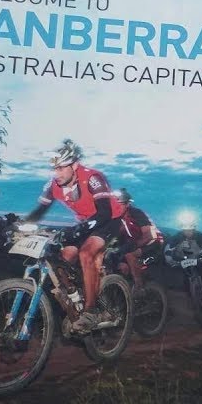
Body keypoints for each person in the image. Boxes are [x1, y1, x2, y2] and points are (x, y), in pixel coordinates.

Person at [21, 139, 136, 332]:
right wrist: (20, 224)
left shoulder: (93, 178)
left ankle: (91, 311)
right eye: (54, 169)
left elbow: (104, 212)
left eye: (61, 168)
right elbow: (41, 209)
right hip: (86, 222)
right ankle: (77, 296)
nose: (56, 174)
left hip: (109, 220)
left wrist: (79, 230)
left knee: (86, 253)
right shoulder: (53, 185)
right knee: (63, 257)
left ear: (74, 165)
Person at [115, 188, 163, 291]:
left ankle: (139, 287)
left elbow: (149, 235)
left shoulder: (137, 214)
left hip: (152, 242)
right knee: (118, 263)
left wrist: (132, 246)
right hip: (134, 244)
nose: (116, 208)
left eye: (120, 204)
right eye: (114, 205)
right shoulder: (116, 219)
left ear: (127, 204)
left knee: (129, 255)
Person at [164, 216, 202, 294]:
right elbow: (168, 249)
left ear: (194, 229)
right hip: (183, 258)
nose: (188, 232)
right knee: (186, 274)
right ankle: (188, 293)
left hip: (198, 257)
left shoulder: (201, 236)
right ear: (182, 230)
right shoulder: (177, 237)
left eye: (190, 230)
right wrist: (170, 260)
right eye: (185, 230)